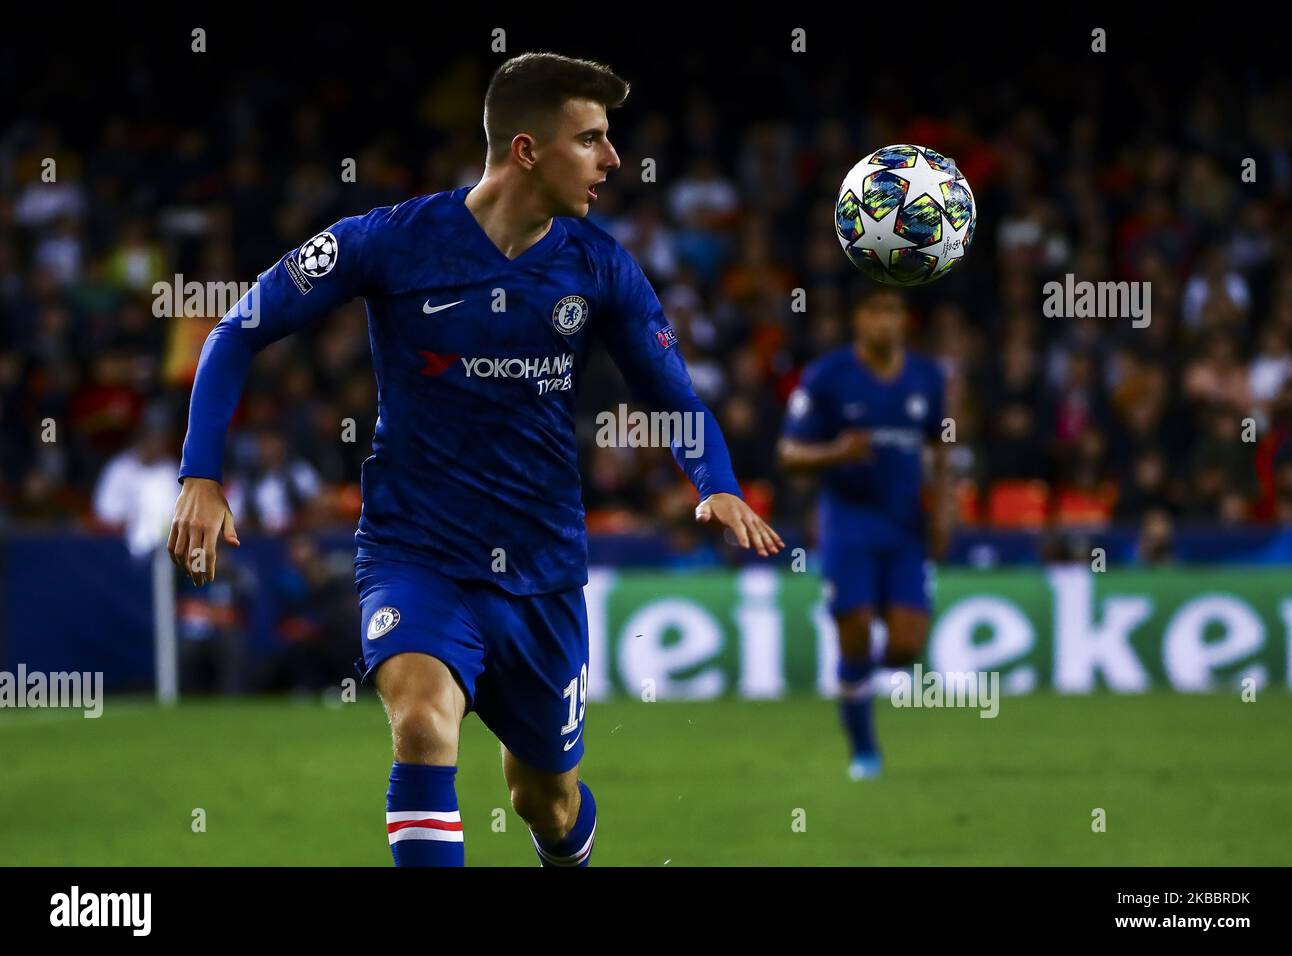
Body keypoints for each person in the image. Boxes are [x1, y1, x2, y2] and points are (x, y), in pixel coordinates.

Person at [168, 52, 783, 867]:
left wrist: (718, 484)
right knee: (421, 723)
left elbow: (671, 393)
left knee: (546, 800)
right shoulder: (389, 242)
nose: (612, 160)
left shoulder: (600, 267)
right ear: (528, 149)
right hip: (415, 552)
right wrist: (201, 476)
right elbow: (235, 330)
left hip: (543, 569)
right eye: (591, 139)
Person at [778, 287, 950, 780]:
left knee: (905, 646)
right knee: (853, 637)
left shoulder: (926, 376)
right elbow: (788, 454)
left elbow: (940, 447)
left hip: (904, 525)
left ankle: (852, 683)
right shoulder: (827, 377)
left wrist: (944, 510)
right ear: (858, 318)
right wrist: (835, 453)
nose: (885, 321)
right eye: (875, 310)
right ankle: (864, 749)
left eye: (894, 311)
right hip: (848, 522)